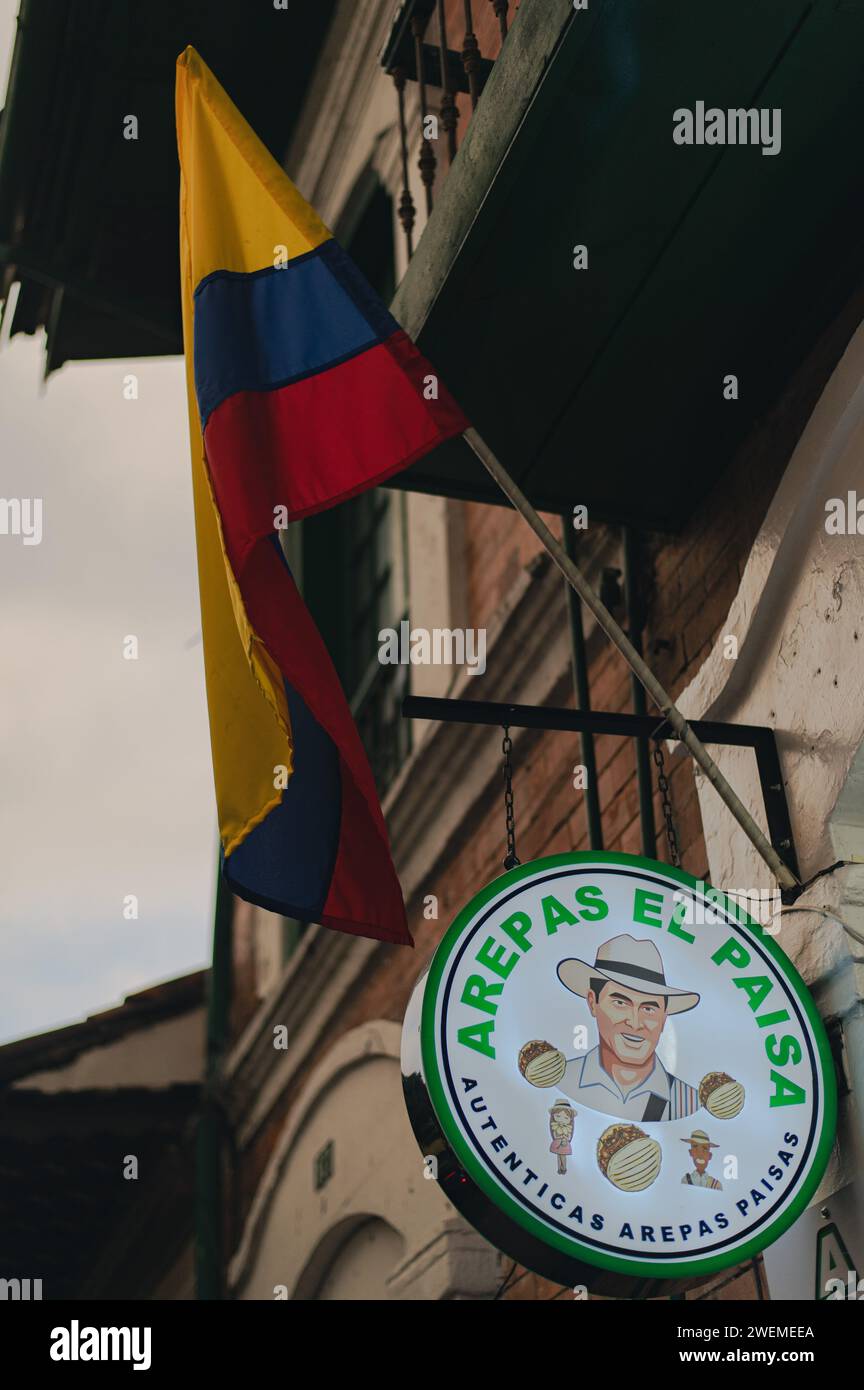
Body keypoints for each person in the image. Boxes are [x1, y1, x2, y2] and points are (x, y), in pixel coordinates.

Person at [555, 934, 700, 1123]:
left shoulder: (687, 1103)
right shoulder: (561, 1080)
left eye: (649, 1008)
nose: (635, 1022)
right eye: (620, 1003)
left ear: (664, 1018)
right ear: (592, 1002)